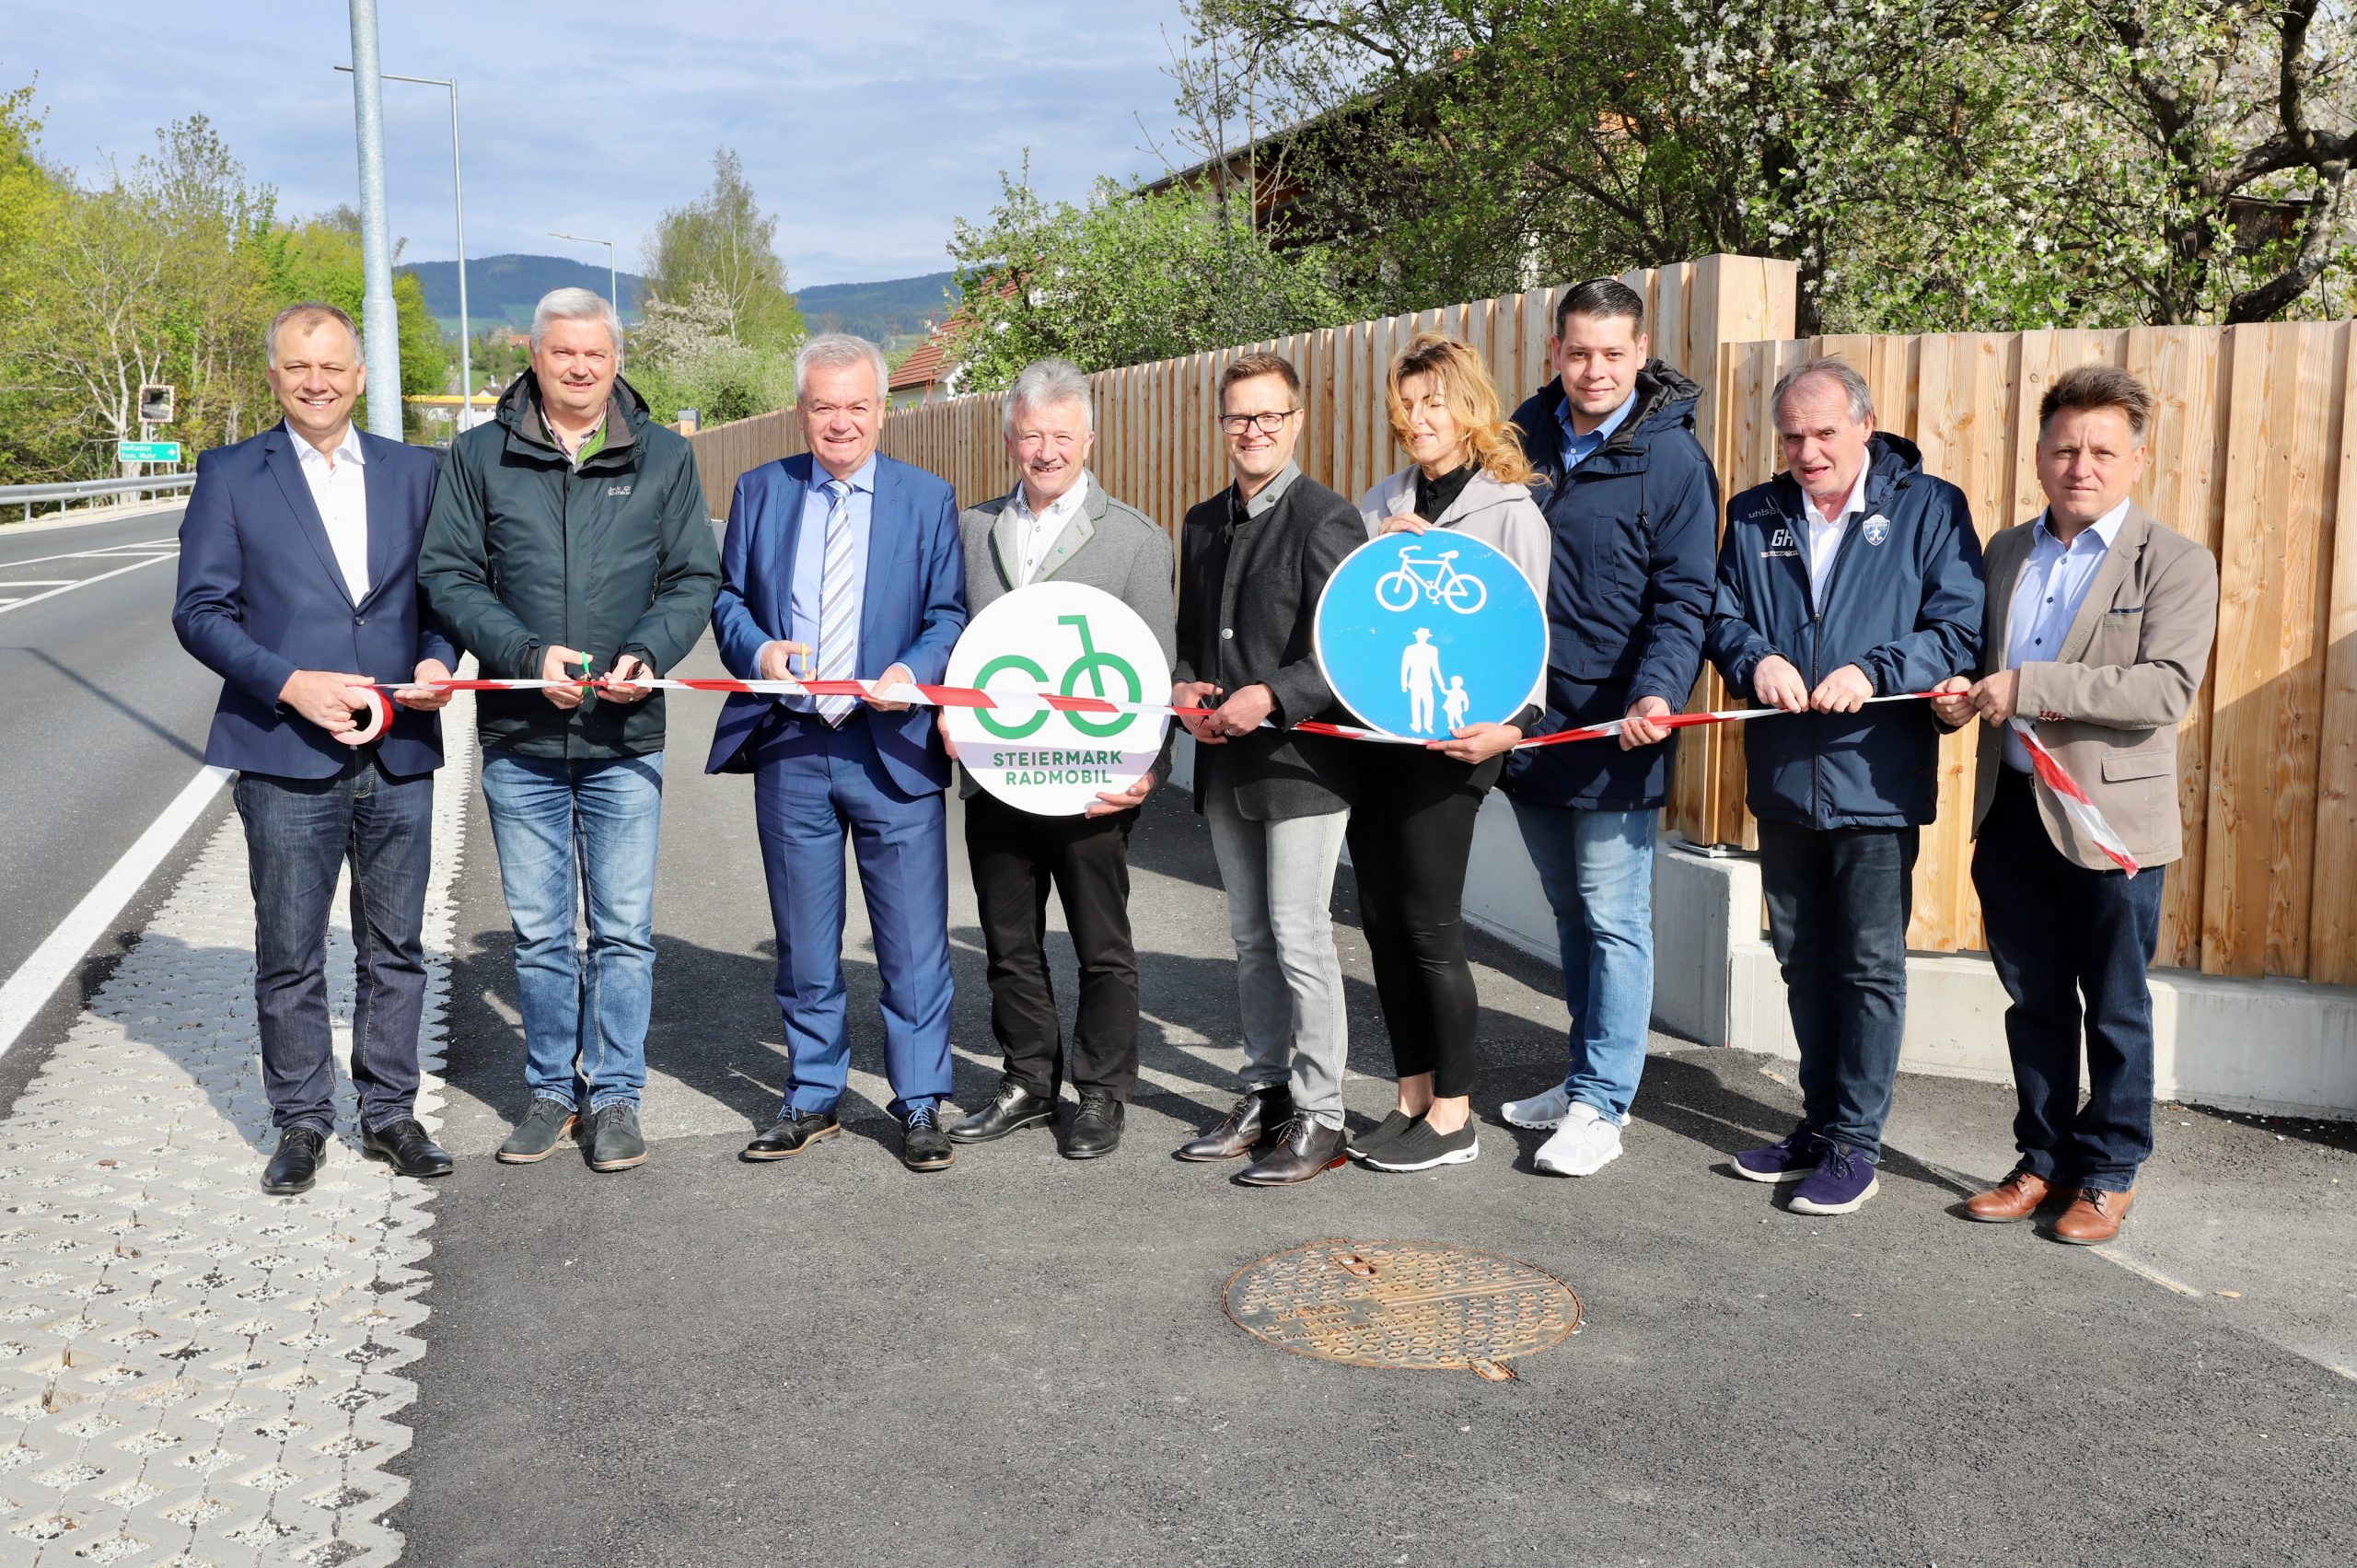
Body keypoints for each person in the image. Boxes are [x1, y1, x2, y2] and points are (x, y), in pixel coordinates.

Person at [418, 287, 720, 1174]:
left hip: (624, 738)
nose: (580, 367)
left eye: (595, 352)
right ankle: (552, 1091)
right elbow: (449, 573)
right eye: (563, 353)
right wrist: (520, 651)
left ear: (615, 357)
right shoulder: (477, 457)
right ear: (535, 354)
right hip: (519, 735)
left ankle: (617, 1095)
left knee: (623, 931)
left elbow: (692, 578)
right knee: (543, 933)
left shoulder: (665, 457)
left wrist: (644, 651)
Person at [172, 300, 458, 1195]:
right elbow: (199, 612)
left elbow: (447, 597)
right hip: (285, 749)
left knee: (396, 945)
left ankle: (391, 1113)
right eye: (299, 367)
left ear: (361, 374)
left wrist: (436, 661)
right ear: (274, 375)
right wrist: (291, 683)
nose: (317, 381)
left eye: (333, 365)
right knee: (289, 948)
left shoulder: (420, 472)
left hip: (400, 745)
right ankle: (301, 1118)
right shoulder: (230, 474)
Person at [1931, 366, 2218, 1244]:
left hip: (2111, 823)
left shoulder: (2175, 561)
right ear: (2040, 456)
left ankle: (2111, 1170)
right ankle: (2042, 1159)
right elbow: (1990, 675)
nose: (2079, 464)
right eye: (2064, 447)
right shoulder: (2006, 553)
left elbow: (2166, 689)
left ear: (2136, 459)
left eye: (2101, 449)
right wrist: (1962, 696)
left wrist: (2030, 684)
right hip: (2012, 808)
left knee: (2119, 1004)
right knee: (2036, 1001)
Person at [1704, 356, 1985, 1215]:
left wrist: (1877, 668)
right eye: (1792, 435)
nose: (1807, 451)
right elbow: (1720, 616)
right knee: (1801, 961)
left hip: (1876, 779)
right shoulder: (1754, 514)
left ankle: (1857, 1145)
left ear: (1866, 425)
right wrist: (1758, 661)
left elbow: (1959, 627)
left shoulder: (1928, 508)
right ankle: (1820, 1124)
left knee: (1867, 967)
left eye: (1824, 433)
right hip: (1787, 780)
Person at [706, 334, 969, 1174]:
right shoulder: (761, 491)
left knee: (913, 941)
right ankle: (813, 1092)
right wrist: (759, 652)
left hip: (890, 746)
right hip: (792, 743)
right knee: (805, 941)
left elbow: (949, 614)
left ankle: (921, 1096)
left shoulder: (928, 500)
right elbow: (729, 599)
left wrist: (912, 670)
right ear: (802, 412)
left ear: (883, 410)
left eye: (858, 405)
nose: (842, 422)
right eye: (825, 406)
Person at [1493, 279, 1719, 1177]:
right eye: (1578, 352)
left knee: (1614, 916)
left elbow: (1685, 598)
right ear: (1556, 351)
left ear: (1639, 355)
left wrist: (1657, 692)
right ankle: (1582, 1073)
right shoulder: (1523, 435)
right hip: (1533, 725)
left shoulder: (1671, 462)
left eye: (1611, 355)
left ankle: (1603, 1104)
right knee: (1569, 913)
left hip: (1622, 728)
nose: (1593, 369)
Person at [944, 358, 1175, 1160]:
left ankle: (1103, 1091)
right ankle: (1027, 1081)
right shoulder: (972, 528)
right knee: (1010, 941)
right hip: (997, 773)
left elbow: (1160, 675)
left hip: (1092, 784)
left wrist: (1149, 771)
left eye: (1062, 435)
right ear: (1010, 437)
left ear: (1090, 438)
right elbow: (954, 640)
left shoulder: (1138, 540)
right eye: (1031, 434)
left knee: (1100, 943)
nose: (1046, 450)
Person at [1344, 331, 1551, 1175]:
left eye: (1435, 402)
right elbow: (1354, 622)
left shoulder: (1510, 509)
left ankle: (1455, 1117)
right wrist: (1380, 550)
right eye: (1408, 403)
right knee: (1383, 924)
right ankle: (1411, 1097)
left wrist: (1516, 725)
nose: (1419, 418)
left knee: (1430, 925)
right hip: (1378, 742)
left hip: (1457, 744)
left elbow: (1530, 634)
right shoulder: (1379, 500)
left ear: (1470, 408)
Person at [1169, 351, 1366, 1186]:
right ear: (1222, 424)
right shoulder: (1202, 519)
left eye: (1268, 417)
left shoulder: (1326, 517)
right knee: (1251, 938)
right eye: (1238, 417)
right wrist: (1185, 690)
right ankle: (1265, 1092)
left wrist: (1272, 696)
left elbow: (1350, 651)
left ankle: (1322, 1116)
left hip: (1301, 758)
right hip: (1223, 759)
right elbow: (1191, 632)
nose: (1252, 431)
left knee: (1299, 936)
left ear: (1295, 422)